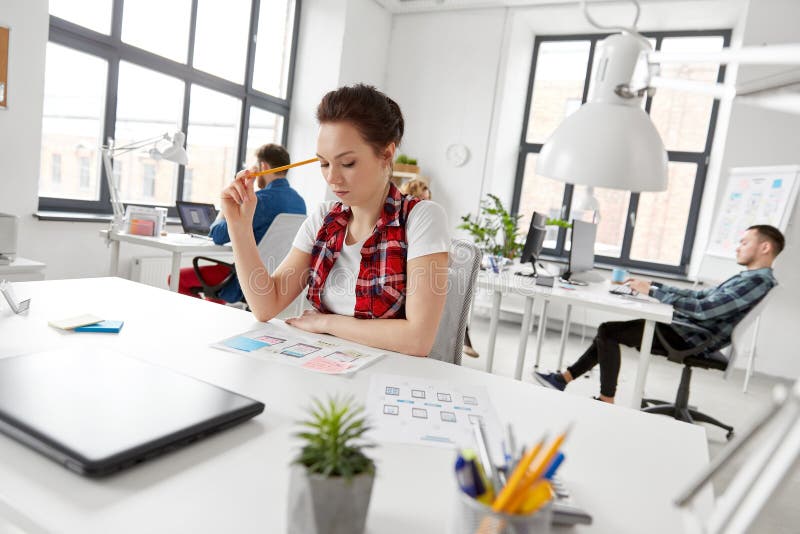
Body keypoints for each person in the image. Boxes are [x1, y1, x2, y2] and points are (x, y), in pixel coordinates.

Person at [220, 84, 450, 356]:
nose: (332, 178)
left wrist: (326, 322)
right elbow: (265, 305)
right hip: (323, 362)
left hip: (384, 375)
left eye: (348, 163)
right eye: (324, 163)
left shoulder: (421, 217)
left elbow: (417, 340)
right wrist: (239, 225)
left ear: (386, 154)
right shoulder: (323, 218)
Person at [534, 224, 784, 404]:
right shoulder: (749, 277)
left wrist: (654, 294)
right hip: (688, 329)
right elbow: (700, 297)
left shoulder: (757, 281)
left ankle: (604, 399)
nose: (738, 248)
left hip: (692, 337)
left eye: (744, 242)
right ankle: (564, 379)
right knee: (608, 330)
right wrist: (653, 286)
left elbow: (704, 310)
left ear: (764, 247)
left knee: (608, 332)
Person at [174, 143, 307, 303]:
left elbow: (217, 235)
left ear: (263, 166)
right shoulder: (300, 203)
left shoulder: (261, 200)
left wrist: (226, 207)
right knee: (213, 292)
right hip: (276, 277)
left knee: (175, 278)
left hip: (243, 277)